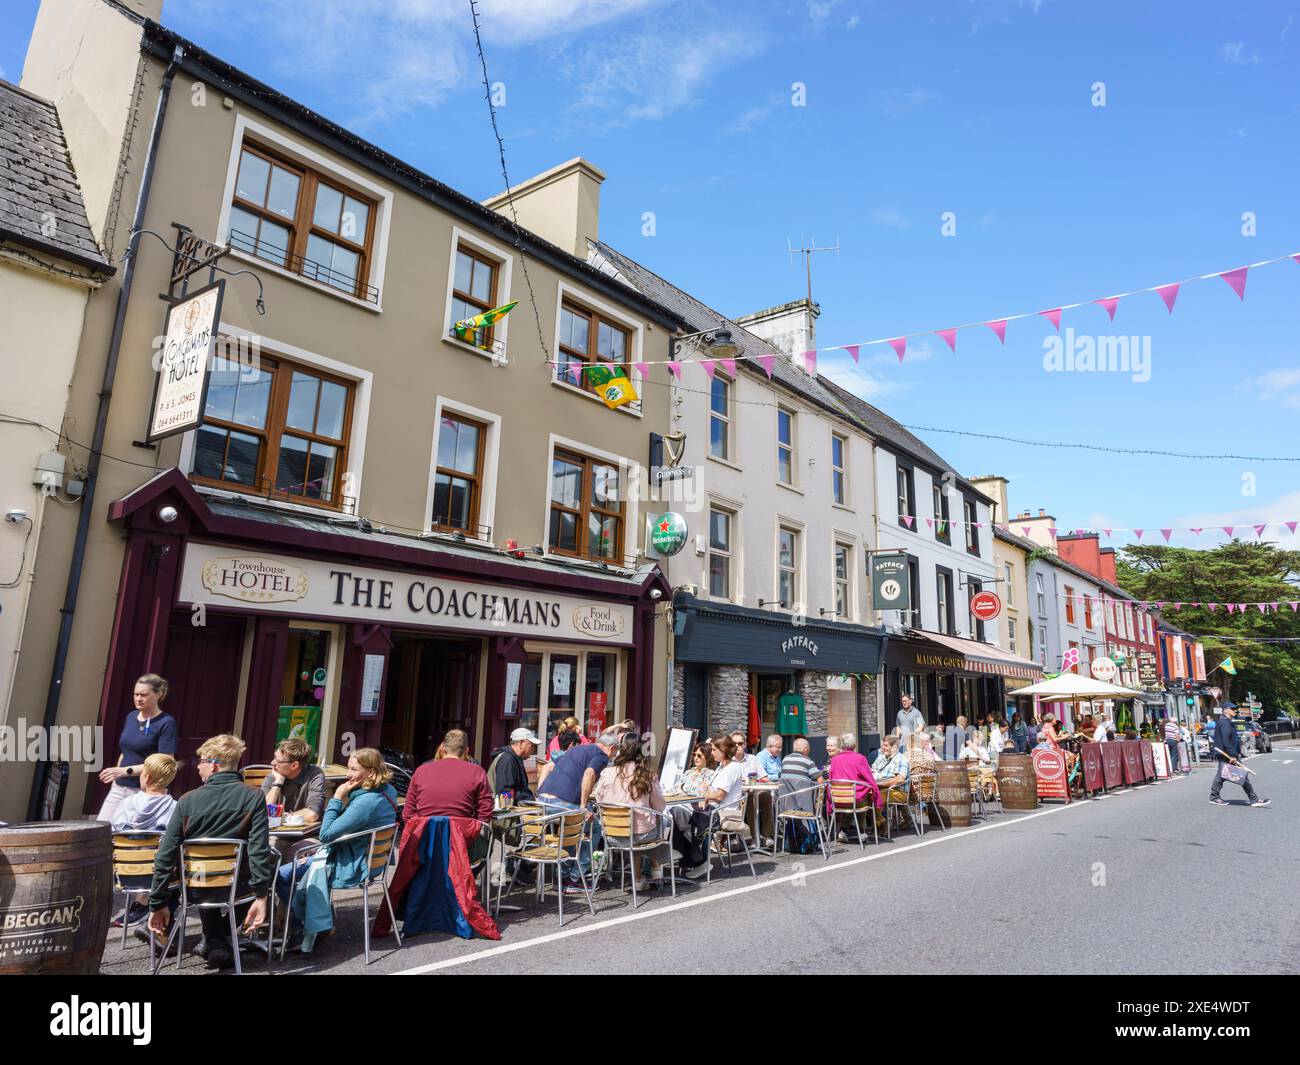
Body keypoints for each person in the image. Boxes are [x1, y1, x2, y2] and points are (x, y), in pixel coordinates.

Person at [146, 734, 273, 971]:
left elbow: (166, 854)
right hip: (237, 885)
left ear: (214, 764)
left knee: (206, 875)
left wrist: (157, 903)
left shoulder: (186, 801)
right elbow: (258, 850)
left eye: (202, 761)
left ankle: (215, 940)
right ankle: (217, 939)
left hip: (195, 885)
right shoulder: (254, 796)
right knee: (271, 864)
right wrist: (261, 896)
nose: (198, 767)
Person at [280, 748, 400, 953]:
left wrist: (336, 797)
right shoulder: (387, 790)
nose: (348, 775)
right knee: (305, 855)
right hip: (365, 856)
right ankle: (319, 917)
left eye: (354, 769)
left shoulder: (366, 802)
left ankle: (311, 925)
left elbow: (326, 835)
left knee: (282, 876)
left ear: (370, 773)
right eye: (348, 768)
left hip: (352, 863)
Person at [537, 726, 618, 892]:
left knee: (572, 830)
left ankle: (564, 876)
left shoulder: (578, 749)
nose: (613, 757)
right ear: (612, 748)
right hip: (563, 802)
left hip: (544, 800)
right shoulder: (601, 756)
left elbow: (547, 767)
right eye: (615, 754)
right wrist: (583, 807)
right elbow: (589, 774)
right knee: (596, 828)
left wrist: (540, 794)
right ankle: (576, 877)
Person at [109, 752, 180, 930]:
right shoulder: (175, 808)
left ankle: (143, 909)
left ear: (146, 778)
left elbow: (113, 833)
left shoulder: (126, 804)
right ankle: (164, 931)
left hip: (124, 875)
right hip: (158, 877)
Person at [97, 674, 178, 824]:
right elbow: (125, 750)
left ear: (158, 695)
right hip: (119, 786)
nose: (138, 698)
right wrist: (117, 773)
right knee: (101, 828)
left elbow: (165, 762)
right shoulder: (131, 717)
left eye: (144, 695)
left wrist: (124, 771)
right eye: (136, 694)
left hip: (143, 790)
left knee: (129, 835)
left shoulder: (166, 723)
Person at [593, 733, 669, 891]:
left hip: (612, 836)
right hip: (642, 835)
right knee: (661, 820)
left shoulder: (607, 773)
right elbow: (659, 806)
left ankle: (639, 878)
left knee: (635, 828)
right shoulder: (647, 775)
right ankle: (656, 870)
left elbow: (599, 801)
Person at [403, 729, 493, 861]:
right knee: (486, 845)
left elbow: (408, 815)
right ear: (466, 751)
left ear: (442, 749)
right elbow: (485, 813)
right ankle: (466, 879)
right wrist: (469, 830)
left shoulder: (421, 771)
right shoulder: (477, 772)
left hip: (425, 842)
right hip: (461, 842)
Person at [676, 735, 746, 879]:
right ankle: (691, 858)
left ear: (723, 750)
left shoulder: (732, 768)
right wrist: (707, 795)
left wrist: (707, 796)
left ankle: (697, 861)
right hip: (713, 808)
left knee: (681, 816)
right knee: (676, 813)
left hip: (723, 812)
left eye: (714, 750)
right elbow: (711, 791)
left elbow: (719, 795)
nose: (712, 753)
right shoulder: (722, 767)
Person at [1209, 704, 1269, 807]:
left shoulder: (1226, 722)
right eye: (1232, 709)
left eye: (1234, 709)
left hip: (1227, 753)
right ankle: (1253, 799)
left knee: (1223, 775)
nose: (1234, 710)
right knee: (1241, 774)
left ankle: (1214, 797)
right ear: (1226, 710)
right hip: (1226, 754)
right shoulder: (1224, 722)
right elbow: (1225, 740)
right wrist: (1232, 755)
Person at [263, 738, 327, 828]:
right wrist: (277, 783)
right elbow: (262, 813)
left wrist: (281, 817)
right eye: (274, 758)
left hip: (306, 835)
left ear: (294, 765)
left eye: (278, 761)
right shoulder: (274, 775)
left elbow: (312, 814)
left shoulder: (314, 775)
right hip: (277, 834)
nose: (272, 763)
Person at [826, 732, 881, 838]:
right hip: (855, 799)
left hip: (838, 799)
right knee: (862, 798)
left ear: (841, 746)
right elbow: (869, 777)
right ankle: (861, 832)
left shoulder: (835, 759)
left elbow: (831, 778)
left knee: (851, 799)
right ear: (854, 745)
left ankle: (843, 831)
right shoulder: (860, 758)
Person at [871, 736, 912, 832]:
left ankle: (881, 824)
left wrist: (881, 784)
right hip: (880, 788)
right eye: (882, 746)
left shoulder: (901, 759)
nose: (883, 748)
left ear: (894, 747)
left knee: (877, 796)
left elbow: (899, 779)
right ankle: (875, 823)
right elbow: (872, 770)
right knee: (865, 795)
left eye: (886, 746)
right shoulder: (881, 758)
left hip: (899, 792)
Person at [487, 727, 538, 801]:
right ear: (521, 743)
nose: (533, 749)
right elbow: (504, 792)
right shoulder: (507, 760)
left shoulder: (515, 758)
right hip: (502, 809)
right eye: (531, 745)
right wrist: (529, 798)